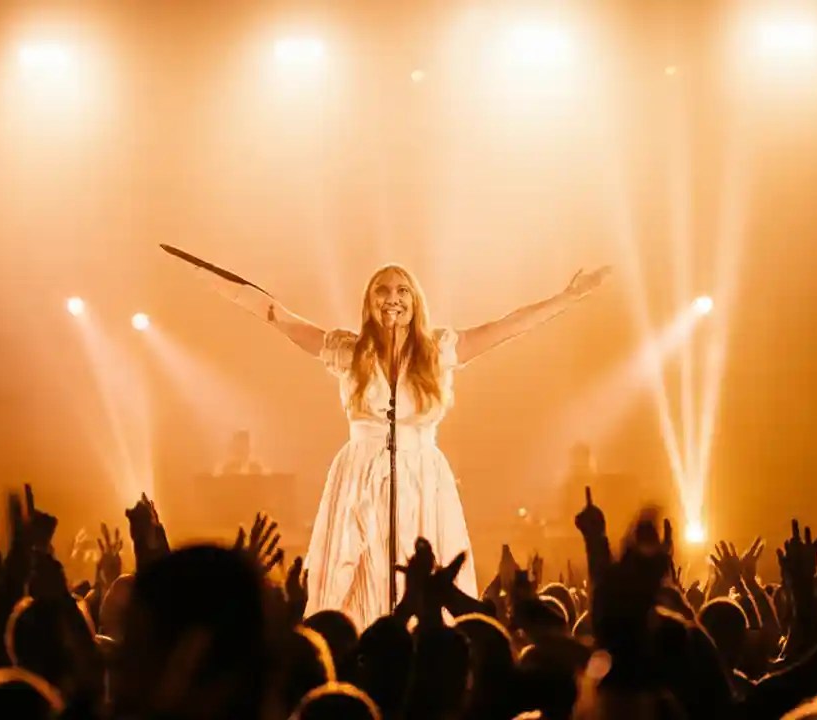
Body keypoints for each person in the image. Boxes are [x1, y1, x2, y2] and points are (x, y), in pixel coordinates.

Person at [186, 261, 611, 628]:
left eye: (402, 290)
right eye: (383, 290)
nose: (393, 298)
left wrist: (567, 297)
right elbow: (280, 316)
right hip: (361, 471)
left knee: (418, 567)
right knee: (354, 571)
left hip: (421, 475)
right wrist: (219, 283)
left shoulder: (439, 350)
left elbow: (506, 327)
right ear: (369, 301)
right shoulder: (347, 352)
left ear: (416, 301)